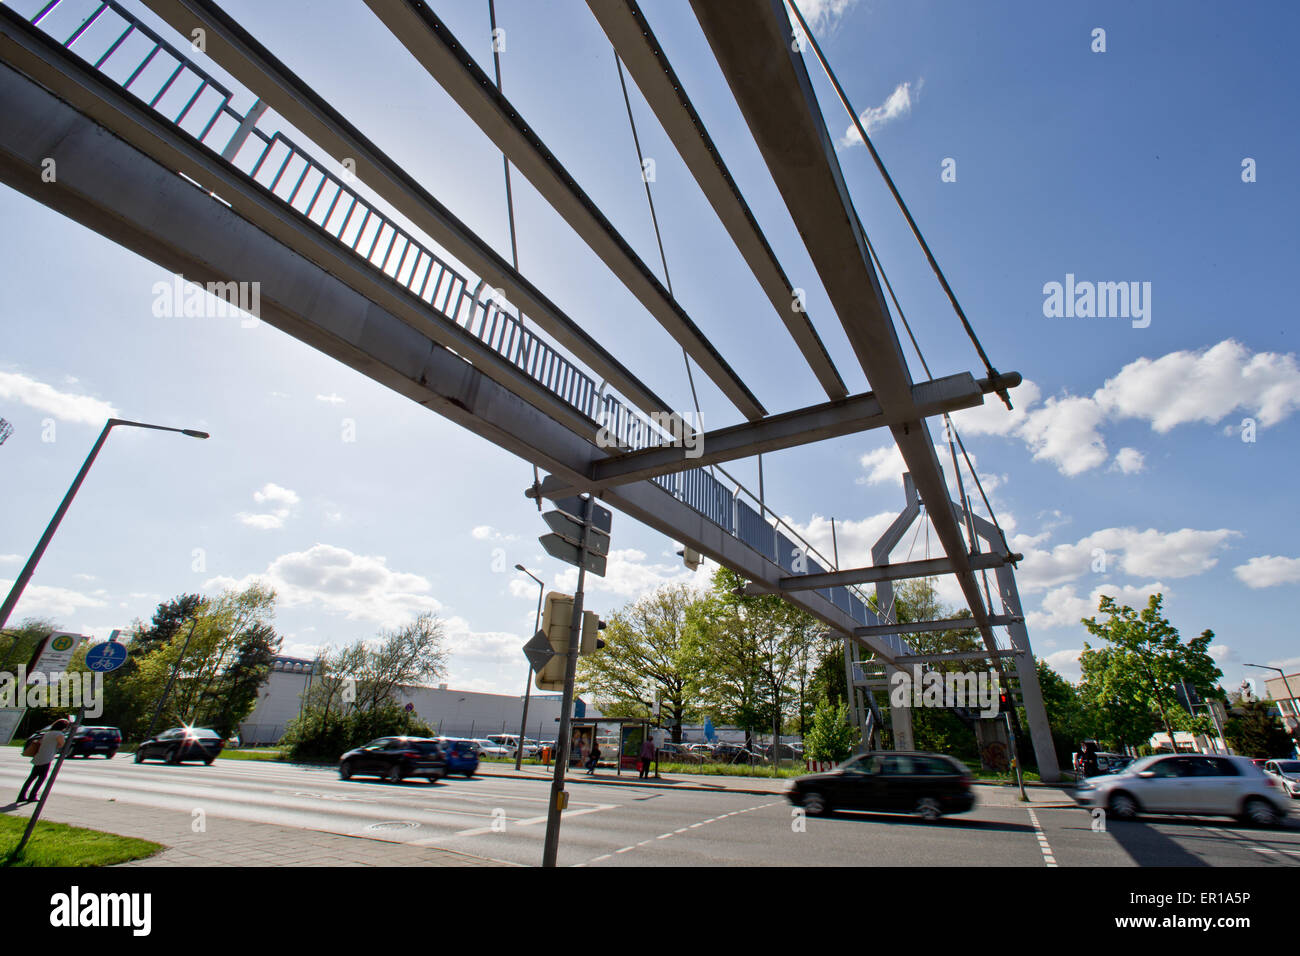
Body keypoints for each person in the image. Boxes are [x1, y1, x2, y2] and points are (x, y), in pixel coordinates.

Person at [18, 718, 70, 803]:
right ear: (63, 727)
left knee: (32, 777)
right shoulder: (59, 734)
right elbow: (62, 745)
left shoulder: (47, 733)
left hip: (39, 756)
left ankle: (21, 796)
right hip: (47, 757)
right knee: (42, 777)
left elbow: (41, 742)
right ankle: (32, 796)